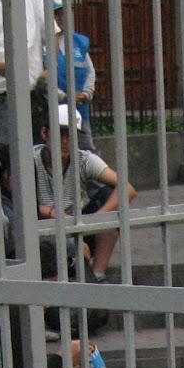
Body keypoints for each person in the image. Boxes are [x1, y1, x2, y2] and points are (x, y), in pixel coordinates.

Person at [32, 102, 136, 280]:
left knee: (109, 200)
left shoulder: (83, 159)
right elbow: (13, 199)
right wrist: (51, 213)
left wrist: (95, 221)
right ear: (45, 133)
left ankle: (97, 275)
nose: (65, 141)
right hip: (41, 229)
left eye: (71, 135)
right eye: (60, 134)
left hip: (78, 226)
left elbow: (127, 189)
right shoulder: (31, 158)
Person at [0, 0, 47, 149]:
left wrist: (49, 69)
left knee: (38, 155)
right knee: (8, 159)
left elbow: (52, 32)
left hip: (33, 94)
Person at [48, 0, 96, 153]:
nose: (61, 18)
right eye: (57, 14)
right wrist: (64, 96)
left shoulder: (79, 42)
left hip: (81, 110)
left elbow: (90, 71)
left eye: (64, 14)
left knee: (86, 152)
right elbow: (43, 79)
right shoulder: (44, 44)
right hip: (56, 110)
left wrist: (86, 94)